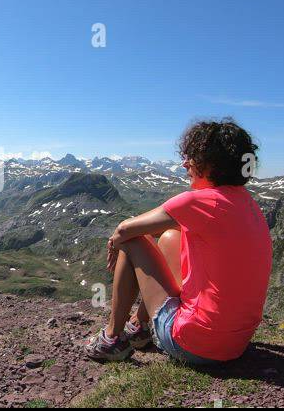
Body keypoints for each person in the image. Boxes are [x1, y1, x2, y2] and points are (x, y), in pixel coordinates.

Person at [84, 119, 272, 364]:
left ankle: (112, 340)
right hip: (235, 345)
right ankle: (140, 328)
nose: (185, 163)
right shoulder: (247, 203)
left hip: (193, 345)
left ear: (211, 163)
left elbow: (124, 231)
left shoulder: (199, 201)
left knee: (134, 240)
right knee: (172, 238)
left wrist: (114, 246)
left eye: (192, 157)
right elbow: (177, 228)